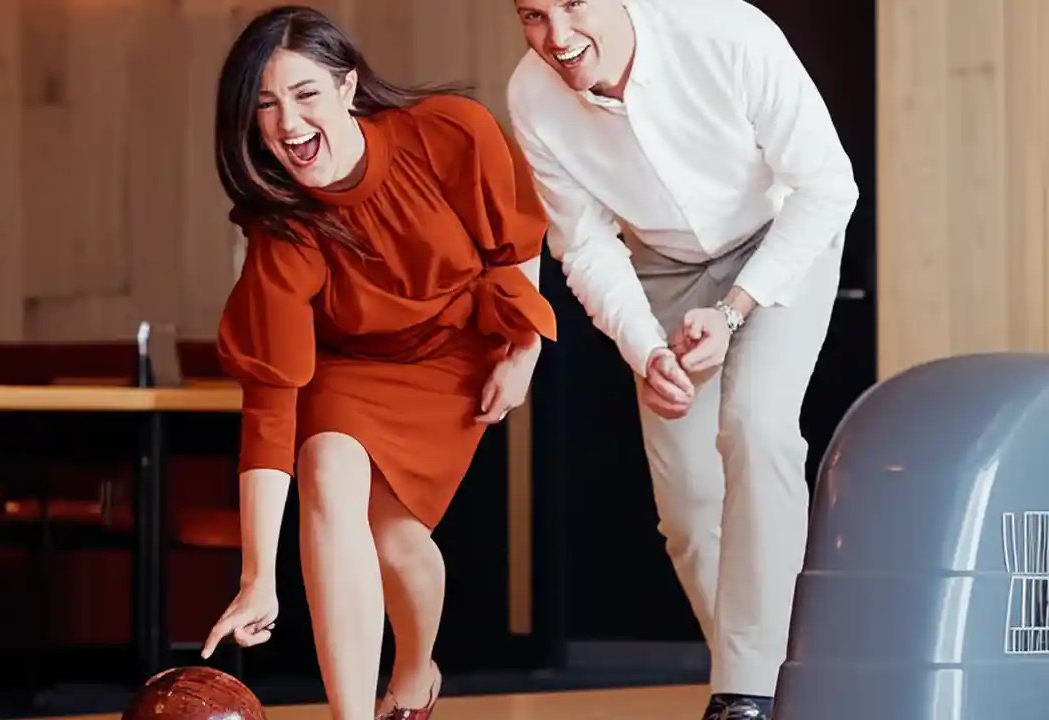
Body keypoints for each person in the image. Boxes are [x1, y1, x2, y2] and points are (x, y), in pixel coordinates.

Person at [198, 6, 557, 720]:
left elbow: (516, 238)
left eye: (304, 95)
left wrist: (525, 349)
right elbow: (270, 406)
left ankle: (417, 672)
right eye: (265, 105)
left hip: (454, 352)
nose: (288, 122)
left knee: (399, 546)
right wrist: (258, 576)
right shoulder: (284, 233)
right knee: (327, 465)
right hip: (350, 367)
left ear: (347, 87)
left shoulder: (450, 130)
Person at [506, 0, 858, 718]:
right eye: (533, 14)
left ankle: (747, 695)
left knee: (756, 426)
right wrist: (643, 346)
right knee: (691, 508)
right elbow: (584, 243)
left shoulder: (727, 32)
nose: (559, 37)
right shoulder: (531, 97)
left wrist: (735, 310)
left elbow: (828, 185)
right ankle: (773, 677)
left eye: (573, 5)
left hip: (782, 239)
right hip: (660, 271)